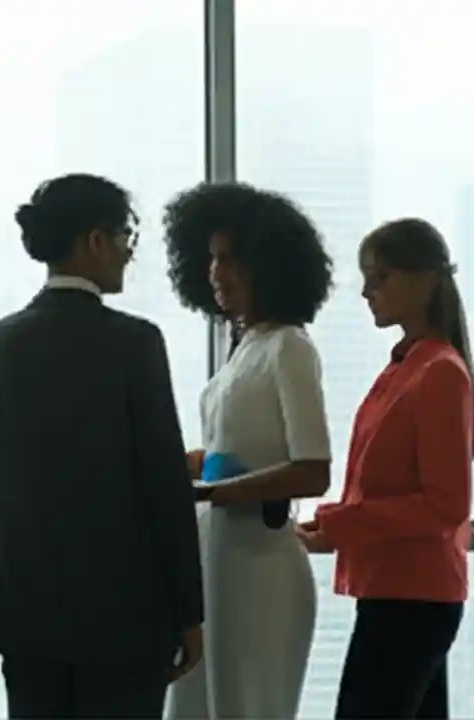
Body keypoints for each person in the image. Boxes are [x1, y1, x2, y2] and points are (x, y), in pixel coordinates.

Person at [0, 173, 204, 719]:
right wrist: (190, 613)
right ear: (95, 240)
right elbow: (165, 490)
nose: (127, 253)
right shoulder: (135, 342)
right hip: (124, 615)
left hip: (27, 612)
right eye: (124, 237)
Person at [161, 181, 333, 719]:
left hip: (261, 569)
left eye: (231, 259)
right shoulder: (244, 348)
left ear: (269, 266)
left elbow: (312, 471)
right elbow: (235, 448)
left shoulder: (290, 346)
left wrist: (213, 491)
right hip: (217, 559)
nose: (217, 272)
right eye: (212, 258)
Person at [298, 218, 474, 718]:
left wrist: (340, 523)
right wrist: (337, 523)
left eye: (379, 277)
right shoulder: (406, 367)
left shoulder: (438, 372)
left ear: (424, 279)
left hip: (413, 598)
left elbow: (445, 505)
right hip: (399, 591)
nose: (366, 292)